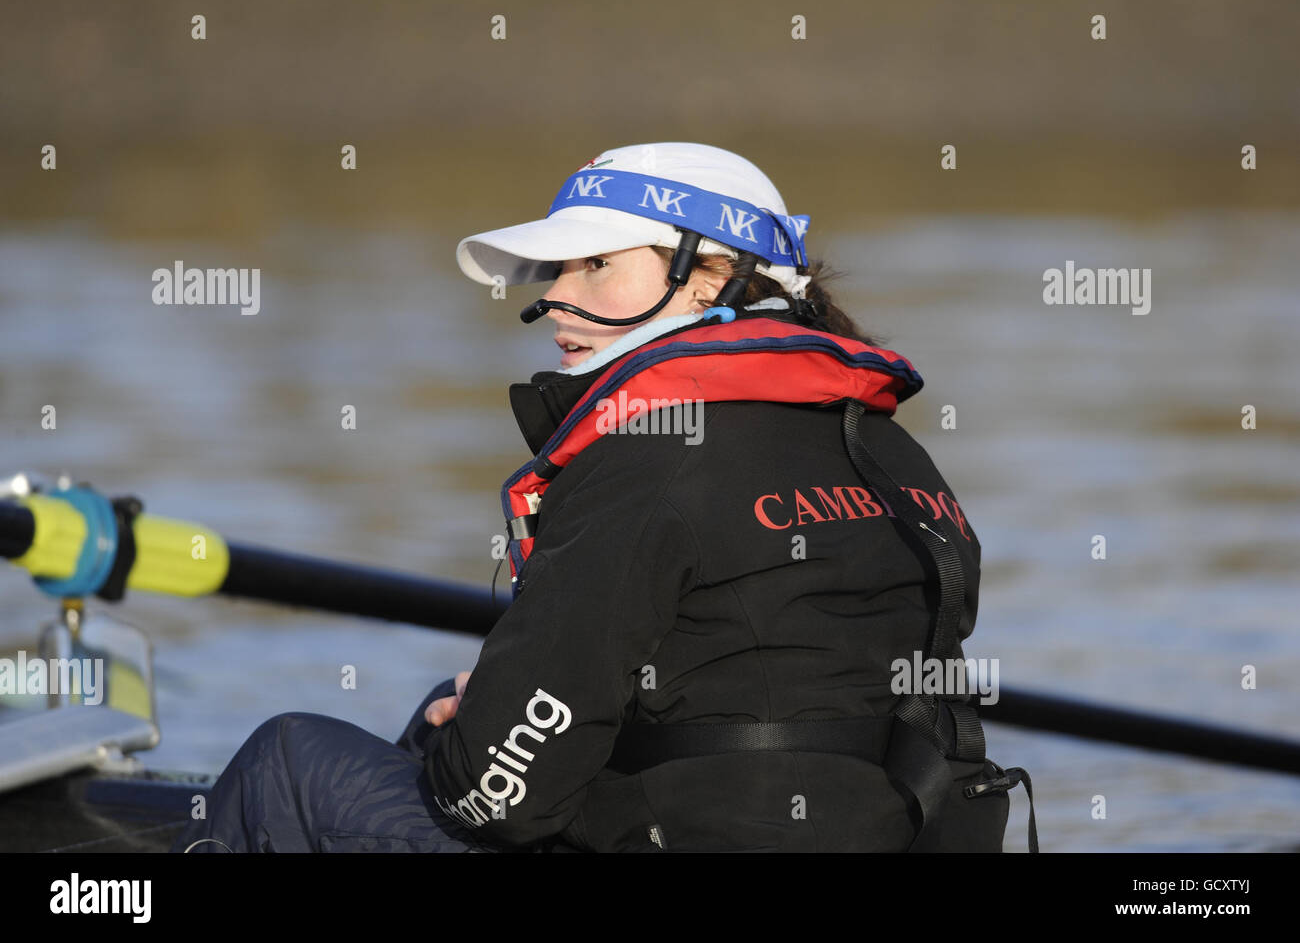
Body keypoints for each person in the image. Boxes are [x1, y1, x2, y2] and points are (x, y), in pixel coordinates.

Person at [173, 142, 1030, 854]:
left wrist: (479, 733)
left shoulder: (646, 458)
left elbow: (497, 802)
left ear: (711, 276)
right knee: (463, 702)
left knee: (291, 761)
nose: (555, 297)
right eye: (555, 269)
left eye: (596, 264)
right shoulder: (896, 452)